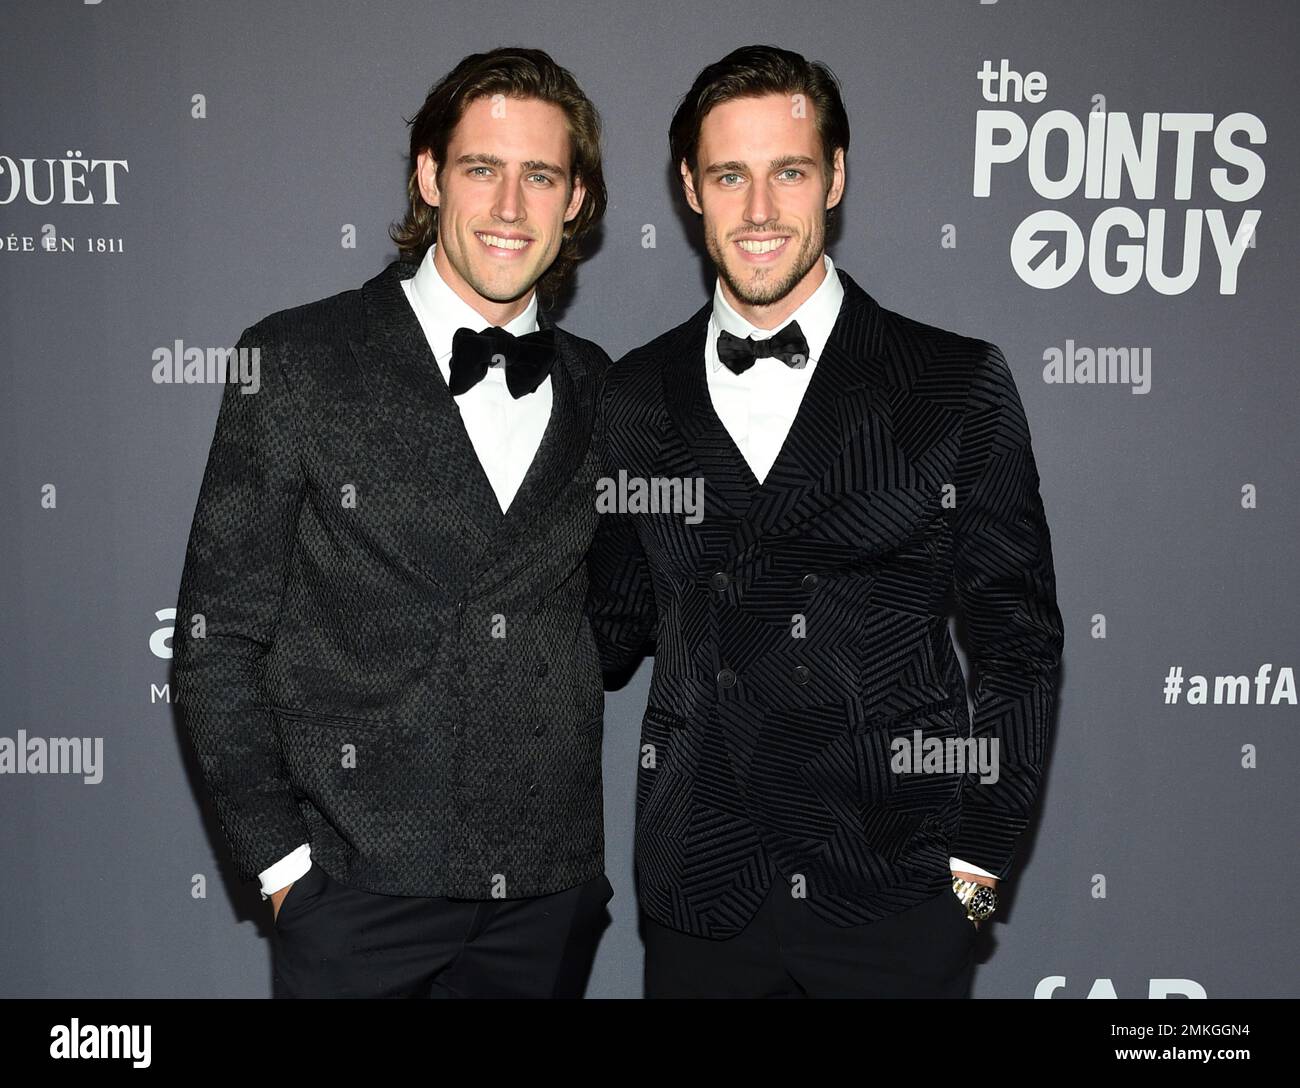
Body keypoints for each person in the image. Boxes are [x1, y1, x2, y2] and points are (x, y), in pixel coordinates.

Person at [587, 44, 1065, 998]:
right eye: (730, 175)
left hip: (895, 900)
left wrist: (973, 875)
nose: (759, 211)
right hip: (700, 897)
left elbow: (1019, 637)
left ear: (835, 177)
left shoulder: (954, 383)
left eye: (789, 172)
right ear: (690, 188)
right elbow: (608, 627)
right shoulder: (634, 396)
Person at [173, 47, 614, 998]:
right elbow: (215, 643)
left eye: (540, 176)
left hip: (545, 901)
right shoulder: (295, 361)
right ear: (428, 176)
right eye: (480, 169)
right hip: (353, 902)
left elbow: (617, 617)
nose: (509, 207)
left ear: (573, 200)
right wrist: (288, 874)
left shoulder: (601, 388)